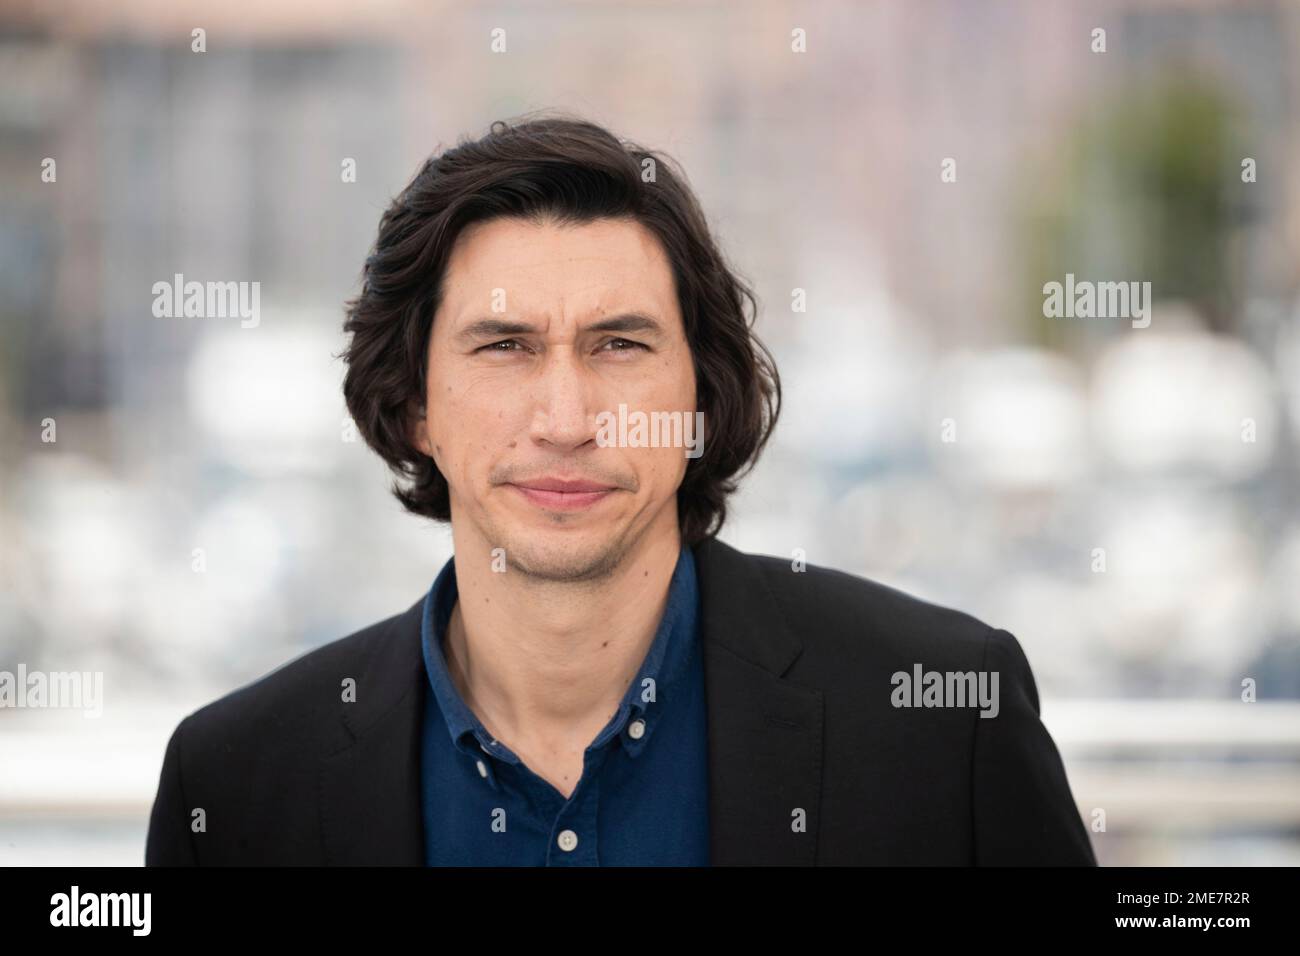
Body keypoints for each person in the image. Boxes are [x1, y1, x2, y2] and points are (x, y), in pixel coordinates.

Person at [145, 114, 1096, 866]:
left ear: (699, 400)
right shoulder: (232, 787)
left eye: (621, 345)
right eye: (505, 346)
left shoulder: (940, 726)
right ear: (415, 408)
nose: (566, 417)